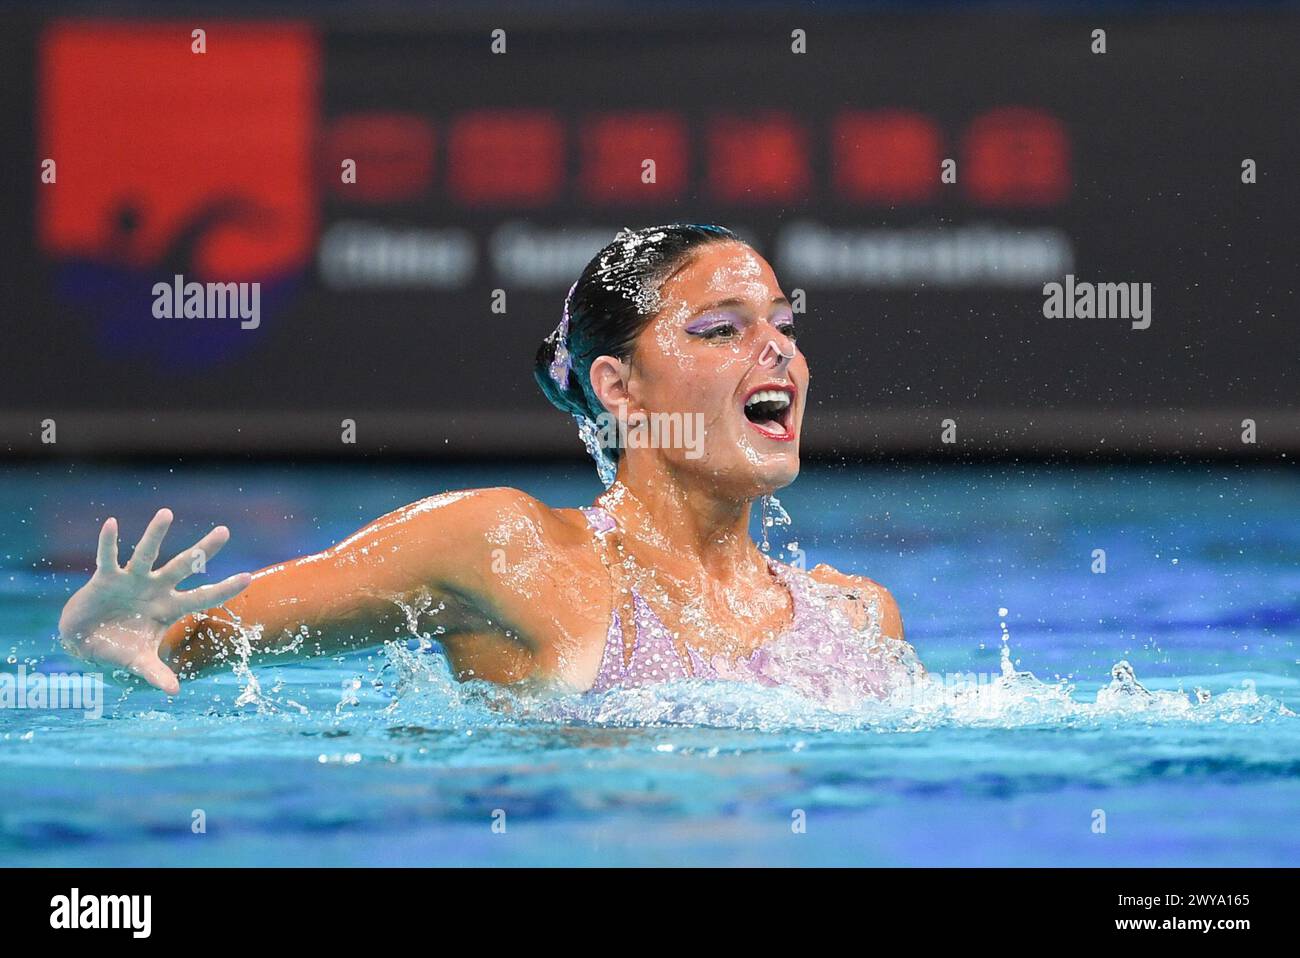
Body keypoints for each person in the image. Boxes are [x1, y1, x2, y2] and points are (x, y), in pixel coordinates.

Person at [58, 224, 922, 703]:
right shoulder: (509, 551)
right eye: (721, 328)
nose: (777, 352)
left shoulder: (854, 619)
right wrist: (103, 633)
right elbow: (187, 640)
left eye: (783, 324)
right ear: (619, 388)